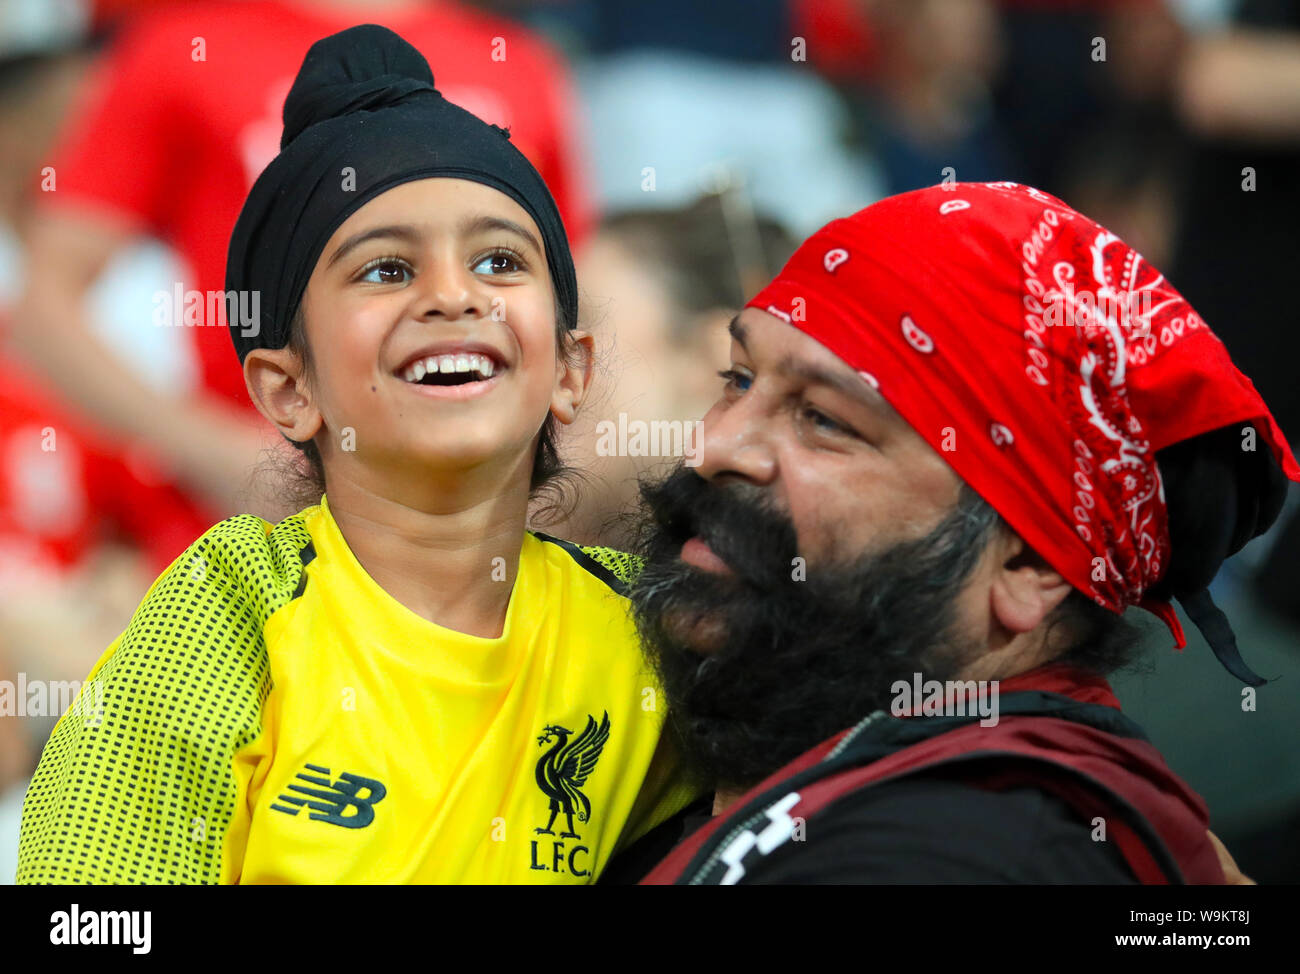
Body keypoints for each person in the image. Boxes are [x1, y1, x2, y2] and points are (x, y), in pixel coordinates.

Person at [16, 25, 695, 884]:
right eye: (383, 271)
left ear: (570, 367)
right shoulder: (221, 618)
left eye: (497, 259)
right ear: (286, 391)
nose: (453, 295)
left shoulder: (651, 634)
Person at [614, 181, 1299, 884]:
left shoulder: (967, 849)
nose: (713, 446)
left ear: (1031, 563)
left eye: (824, 419)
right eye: (737, 378)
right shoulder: (754, 742)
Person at [10, 0, 593, 521]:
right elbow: (43, 309)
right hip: (242, 535)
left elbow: (580, 307)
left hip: (486, 538)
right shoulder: (178, 48)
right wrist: (219, 455)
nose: (450, 297)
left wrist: (558, 487)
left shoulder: (520, 62)